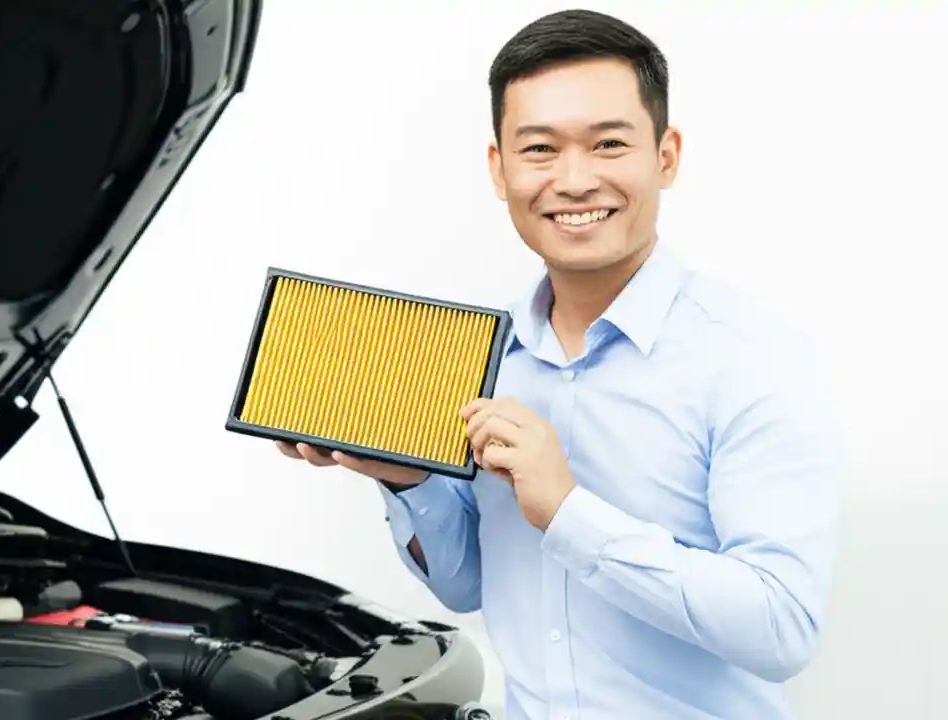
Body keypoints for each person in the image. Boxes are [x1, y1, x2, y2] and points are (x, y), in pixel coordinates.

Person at [277, 9, 840, 720]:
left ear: (665, 156)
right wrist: (407, 478)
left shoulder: (751, 359)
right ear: (499, 168)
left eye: (608, 144)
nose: (574, 181)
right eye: (540, 149)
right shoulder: (483, 357)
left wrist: (570, 513)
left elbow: (782, 627)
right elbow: (468, 587)